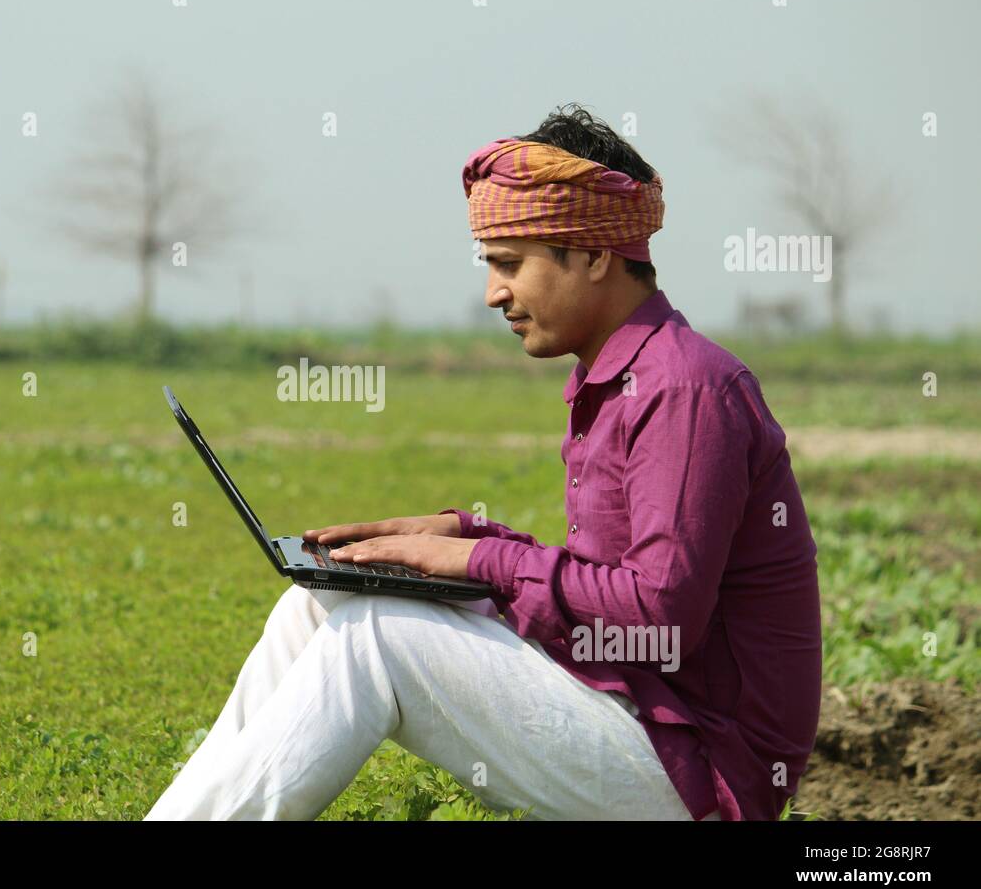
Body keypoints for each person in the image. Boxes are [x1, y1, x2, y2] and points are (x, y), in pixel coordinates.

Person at [144, 105, 822, 821]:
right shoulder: (619, 379)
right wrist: (466, 538)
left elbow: (658, 613)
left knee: (377, 641)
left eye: (509, 263)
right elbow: (609, 588)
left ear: (593, 254)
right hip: (632, 706)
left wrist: (477, 565)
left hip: (696, 772)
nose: (494, 292)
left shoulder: (683, 388)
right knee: (316, 605)